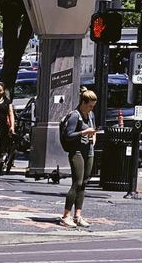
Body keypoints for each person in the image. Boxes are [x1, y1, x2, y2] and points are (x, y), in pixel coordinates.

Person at [59, 88, 97, 229]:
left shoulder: (91, 115)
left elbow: (93, 129)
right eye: (90, 106)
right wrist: (83, 132)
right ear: (83, 103)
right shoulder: (75, 116)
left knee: (84, 183)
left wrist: (93, 136)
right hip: (77, 152)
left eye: (93, 106)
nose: (91, 108)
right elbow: (69, 135)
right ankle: (66, 216)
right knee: (77, 182)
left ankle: (78, 215)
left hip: (89, 150)